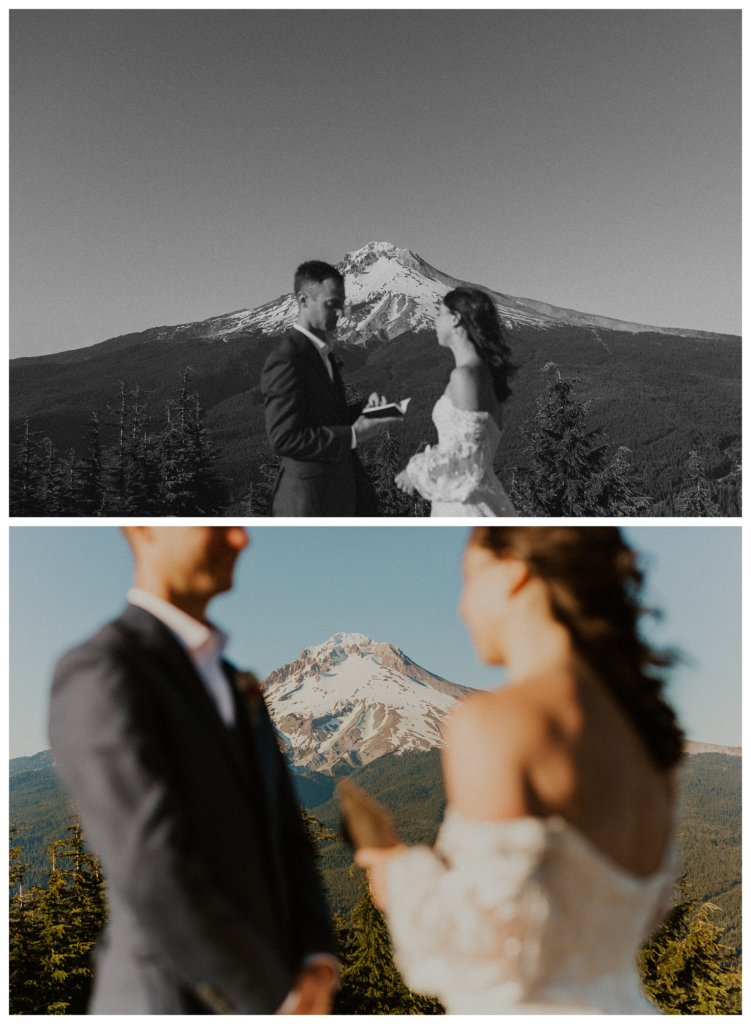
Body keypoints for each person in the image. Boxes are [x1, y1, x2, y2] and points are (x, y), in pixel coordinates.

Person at [353, 526, 683, 1013]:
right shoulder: (651, 740)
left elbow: (481, 960)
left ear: (513, 570)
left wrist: (391, 868)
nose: (460, 607)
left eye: (467, 577)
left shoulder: (497, 722)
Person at [49, 526, 338, 1014]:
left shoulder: (234, 681)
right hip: (171, 1000)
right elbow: (149, 865)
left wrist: (317, 960)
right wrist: (274, 998)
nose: (240, 540)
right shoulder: (102, 668)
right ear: (143, 528)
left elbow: (288, 838)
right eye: (217, 526)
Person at [261, 261, 399, 516]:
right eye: (332, 304)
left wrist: (364, 412)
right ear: (303, 300)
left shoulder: (322, 354)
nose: (341, 312)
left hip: (336, 497)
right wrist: (354, 435)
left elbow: (323, 417)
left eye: (342, 303)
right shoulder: (288, 358)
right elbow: (283, 439)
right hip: (307, 503)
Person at [395, 287, 516, 516]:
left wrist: (416, 471)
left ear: (456, 319)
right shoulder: (482, 373)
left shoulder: (465, 376)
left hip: (466, 503)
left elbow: (469, 457)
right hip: (472, 495)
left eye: (439, 312)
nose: (435, 320)